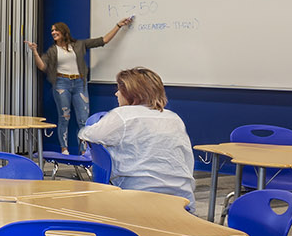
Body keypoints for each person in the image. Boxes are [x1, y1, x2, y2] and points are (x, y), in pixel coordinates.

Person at [80, 67, 195, 204]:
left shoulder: (122, 116)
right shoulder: (174, 118)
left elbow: (88, 134)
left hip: (137, 195)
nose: (116, 94)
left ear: (130, 92)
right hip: (181, 198)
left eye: (119, 90)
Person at [27, 16, 135, 154]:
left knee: (83, 119)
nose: (53, 32)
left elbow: (104, 40)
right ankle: (64, 150)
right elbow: (42, 66)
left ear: (63, 31)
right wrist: (35, 51)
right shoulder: (53, 50)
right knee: (64, 118)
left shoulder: (78, 45)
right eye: (52, 31)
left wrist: (118, 25)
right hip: (61, 84)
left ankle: (84, 152)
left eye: (55, 30)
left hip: (79, 83)